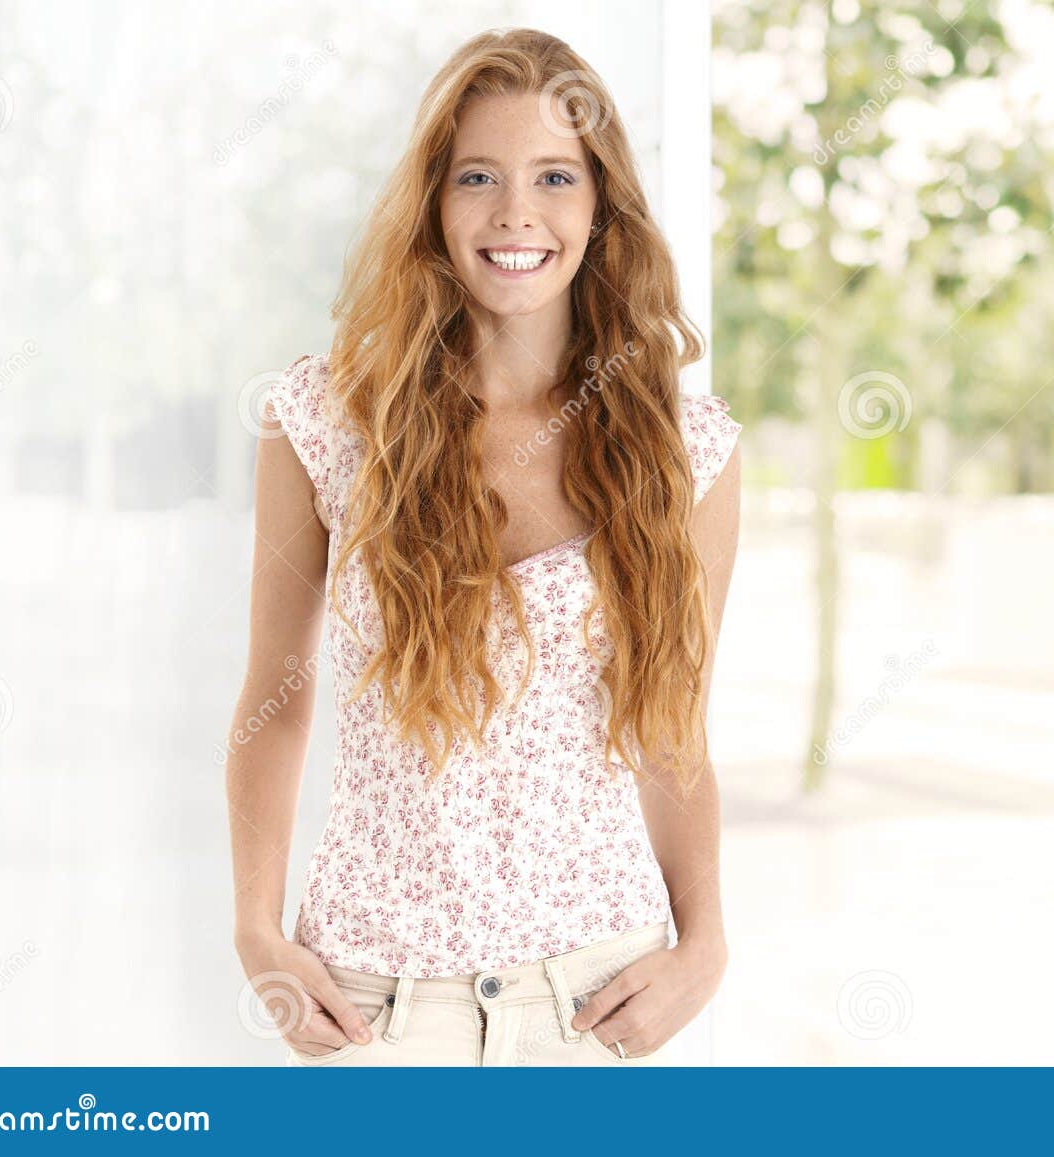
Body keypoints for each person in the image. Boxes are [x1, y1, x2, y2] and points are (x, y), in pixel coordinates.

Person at [224, 27, 741, 1066]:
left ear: (601, 207)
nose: (516, 213)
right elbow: (274, 698)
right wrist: (256, 930)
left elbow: (672, 724)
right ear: (434, 204)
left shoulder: (686, 449)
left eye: (555, 176)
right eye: (477, 177)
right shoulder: (323, 418)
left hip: (601, 1001)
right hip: (368, 1003)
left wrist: (707, 944)